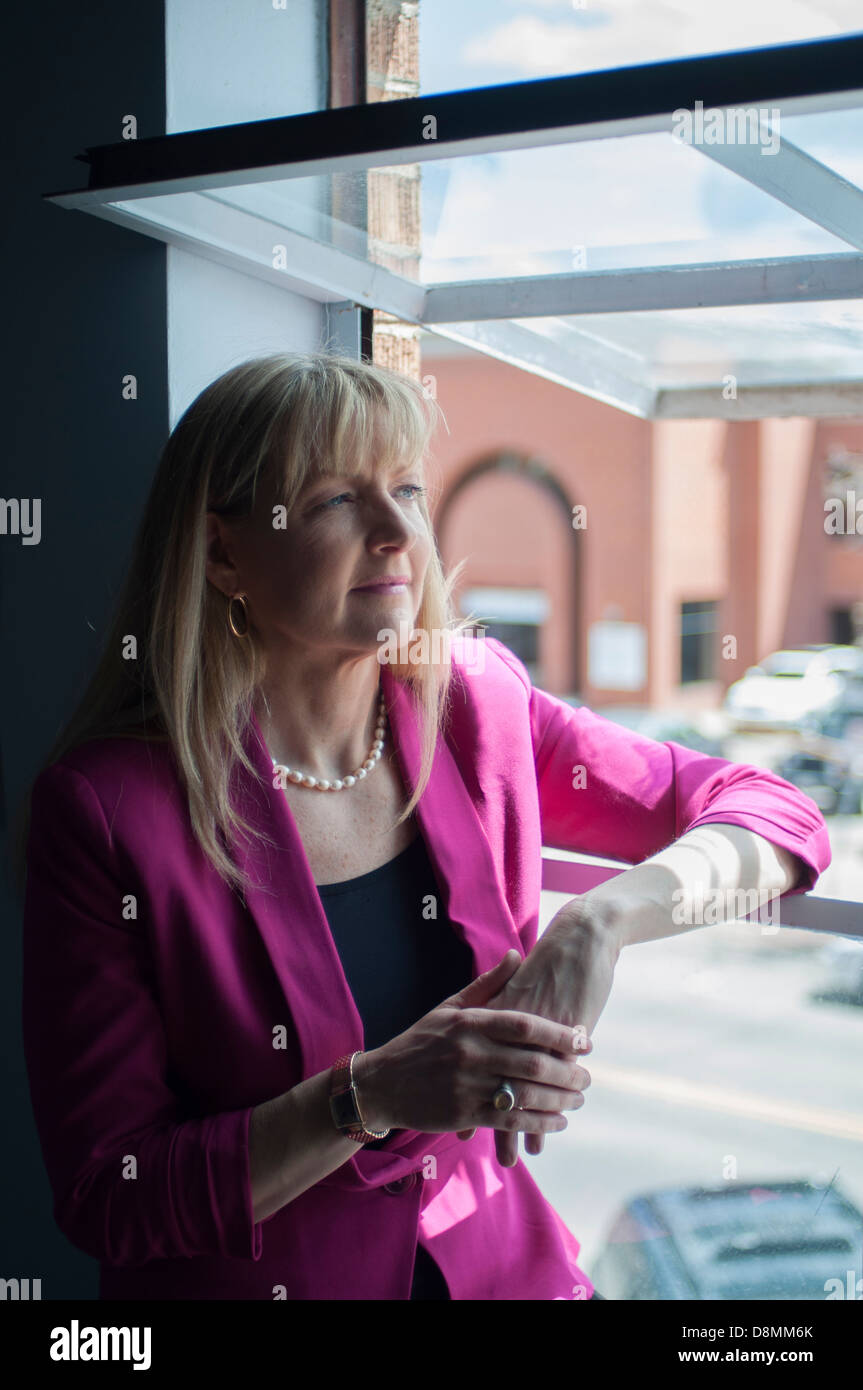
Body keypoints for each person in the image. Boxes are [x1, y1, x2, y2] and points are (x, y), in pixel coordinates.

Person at [17, 351, 831, 1301]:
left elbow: (776, 815)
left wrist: (597, 922)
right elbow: (107, 1194)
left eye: (405, 488)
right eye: (333, 501)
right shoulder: (108, 812)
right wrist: (366, 1098)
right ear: (221, 554)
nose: (399, 531)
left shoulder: (476, 703)